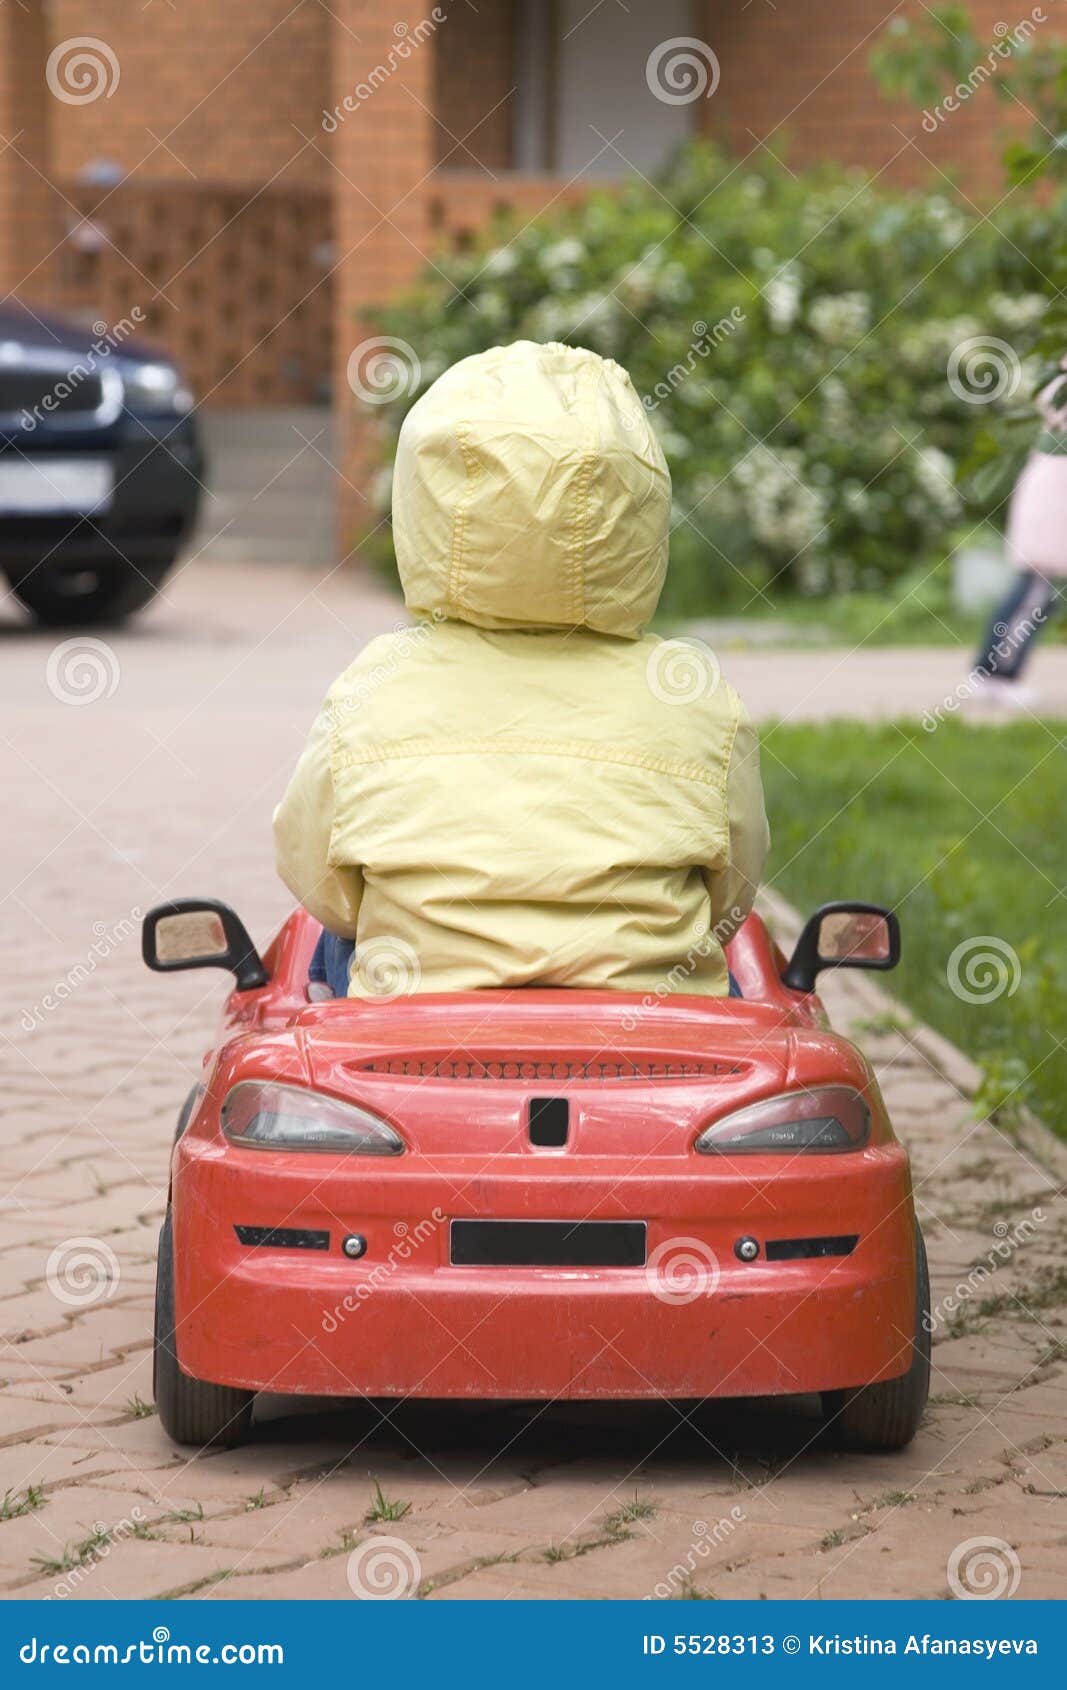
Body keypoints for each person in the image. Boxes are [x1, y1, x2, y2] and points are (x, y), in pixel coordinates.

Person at [274, 340, 769, 1000]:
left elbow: (317, 876)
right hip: (650, 1021)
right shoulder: (691, 695)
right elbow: (731, 892)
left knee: (332, 941)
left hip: (419, 1020)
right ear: (639, 510)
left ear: (425, 507)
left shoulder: (375, 686)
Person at [969, 362, 1067, 712]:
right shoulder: (1061, 389)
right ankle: (996, 675)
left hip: (1051, 507)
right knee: (1033, 595)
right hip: (1052, 511)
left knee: (1037, 595)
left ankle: (995, 674)